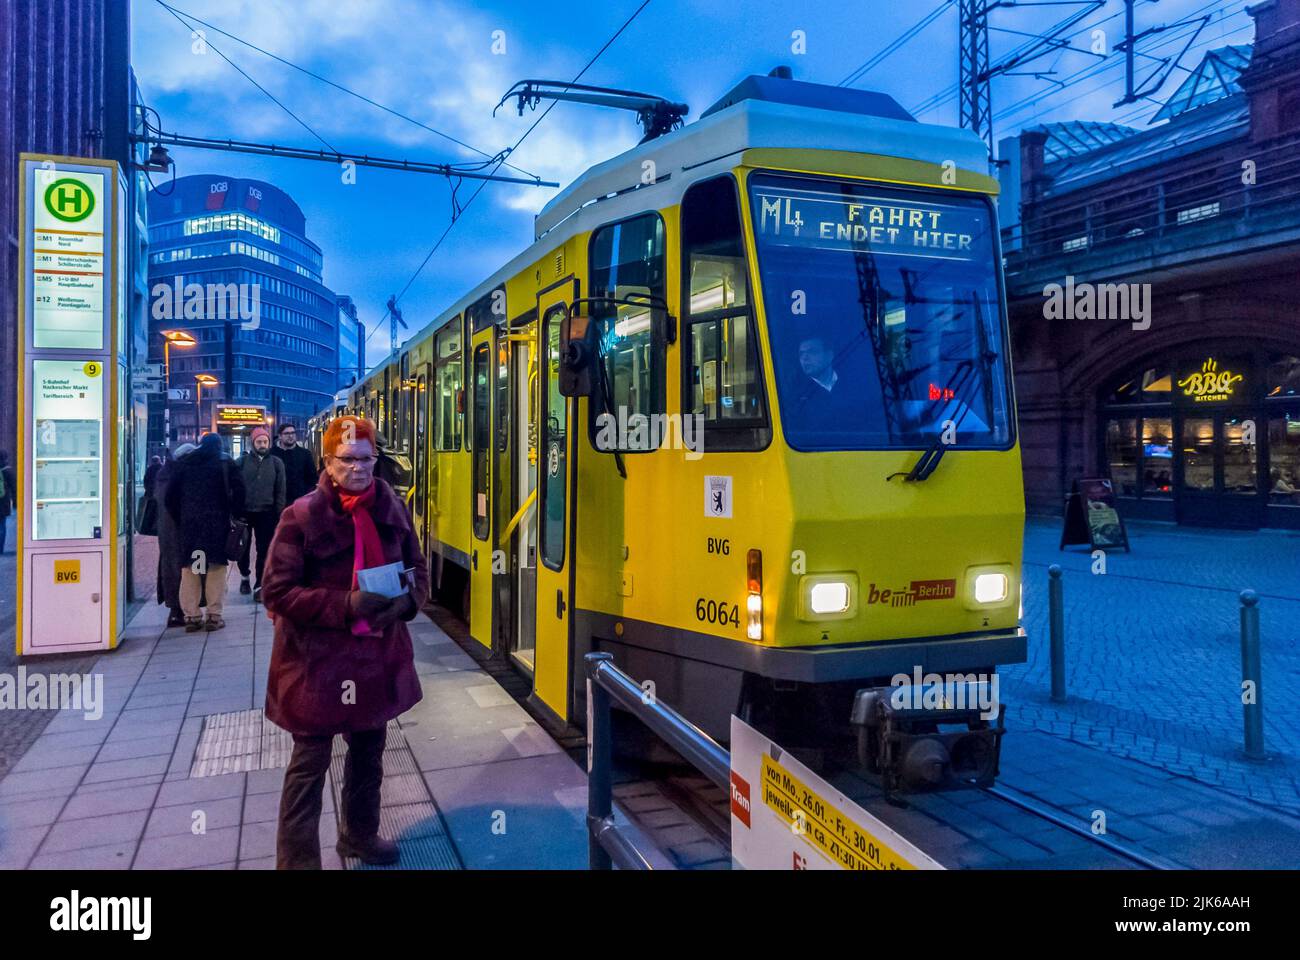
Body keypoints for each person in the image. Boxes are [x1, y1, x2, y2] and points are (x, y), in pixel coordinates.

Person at [262, 415, 427, 869]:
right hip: (317, 665)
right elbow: (276, 592)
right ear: (328, 462)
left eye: (366, 459)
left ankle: (359, 836)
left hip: (375, 657)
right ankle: (296, 864)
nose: (358, 468)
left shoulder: (390, 506)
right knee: (309, 766)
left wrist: (407, 603)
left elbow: (418, 569)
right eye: (347, 460)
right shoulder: (300, 516)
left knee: (369, 754)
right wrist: (347, 604)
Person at [163, 433, 245, 632]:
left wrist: (180, 517)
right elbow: (240, 492)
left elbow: (169, 497)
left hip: (191, 525)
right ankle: (214, 616)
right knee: (215, 568)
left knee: (192, 567)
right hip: (217, 524)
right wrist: (236, 515)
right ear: (219, 445)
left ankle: (192, 616)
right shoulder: (225, 463)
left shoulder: (185, 463)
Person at [237, 427, 286, 601]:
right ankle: (244, 577)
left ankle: (259, 584)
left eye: (265, 442)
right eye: (259, 442)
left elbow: (280, 491)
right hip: (245, 513)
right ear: (253, 443)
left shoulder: (276, 463)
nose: (263, 445)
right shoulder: (241, 462)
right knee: (242, 549)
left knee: (263, 550)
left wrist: (279, 514)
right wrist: (236, 511)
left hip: (266, 513)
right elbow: (234, 489)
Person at [156, 443, 195, 627]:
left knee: (172, 565)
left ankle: (177, 608)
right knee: (187, 566)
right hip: (179, 529)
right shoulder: (182, 474)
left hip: (168, 531)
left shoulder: (165, 473)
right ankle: (182, 608)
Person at [270, 423, 319, 510]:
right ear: (280, 436)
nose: (291, 436)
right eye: (287, 433)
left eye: (293, 433)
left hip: (299, 501)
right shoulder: (272, 454)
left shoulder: (305, 454)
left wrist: (306, 495)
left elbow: (312, 478)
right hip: (276, 503)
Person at [0, 450, 15, 555]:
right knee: (2, 526)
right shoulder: (8, 471)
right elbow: (15, 488)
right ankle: (0, 549)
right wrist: (16, 503)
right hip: (3, 502)